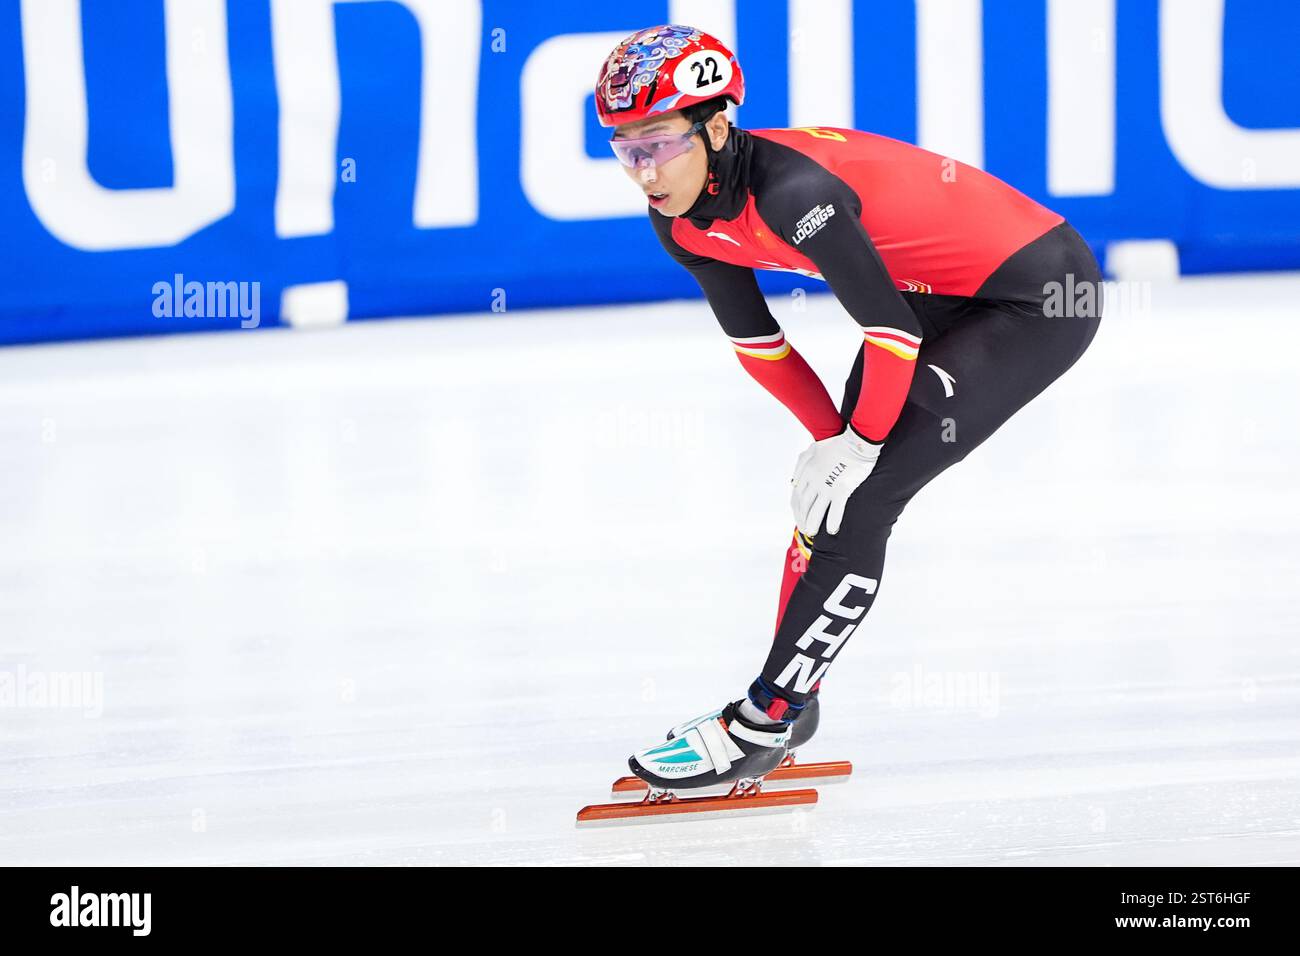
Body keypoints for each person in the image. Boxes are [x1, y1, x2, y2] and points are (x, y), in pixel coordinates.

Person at [595, 24, 1103, 790]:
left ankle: (764, 716)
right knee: (823, 497)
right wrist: (829, 438)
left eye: (659, 141)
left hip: (1035, 298)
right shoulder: (679, 218)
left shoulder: (797, 194)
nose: (644, 170)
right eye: (625, 147)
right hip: (931, 301)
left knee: (860, 497)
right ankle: (791, 707)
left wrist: (859, 446)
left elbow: (889, 329)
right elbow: (759, 344)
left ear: (717, 123)